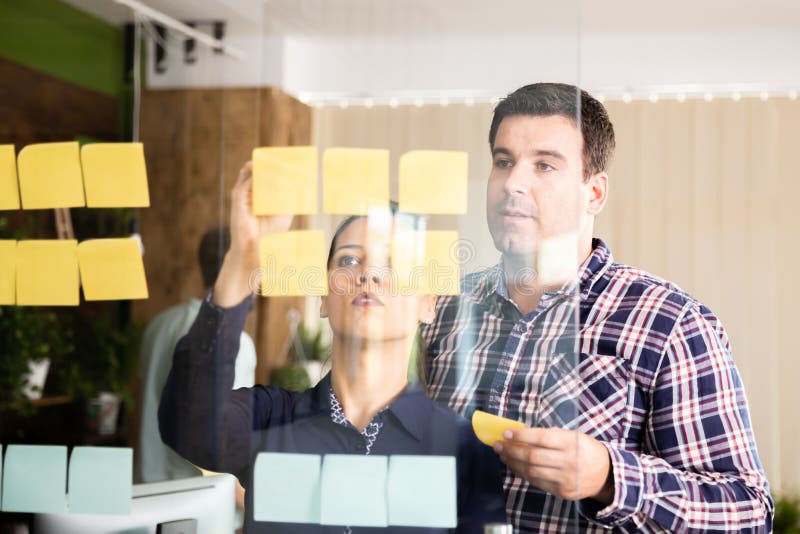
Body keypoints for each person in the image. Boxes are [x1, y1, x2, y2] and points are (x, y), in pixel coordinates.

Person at [422, 82, 773, 532]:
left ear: (595, 193)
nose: (513, 183)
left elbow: (746, 513)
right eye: (503, 161)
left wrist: (610, 478)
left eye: (544, 165)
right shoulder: (443, 311)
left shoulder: (671, 322)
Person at [158, 163, 506, 533]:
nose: (368, 275)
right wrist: (241, 263)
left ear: (428, 304)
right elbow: (188, 425)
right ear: (324, 299)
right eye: (349, 260)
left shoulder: (462, 448)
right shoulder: (270, 420)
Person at [137, 226, 257, 483]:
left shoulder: (158, 326)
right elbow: (224, 439)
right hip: (197, 506)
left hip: (147, 493)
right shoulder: (237, 344)